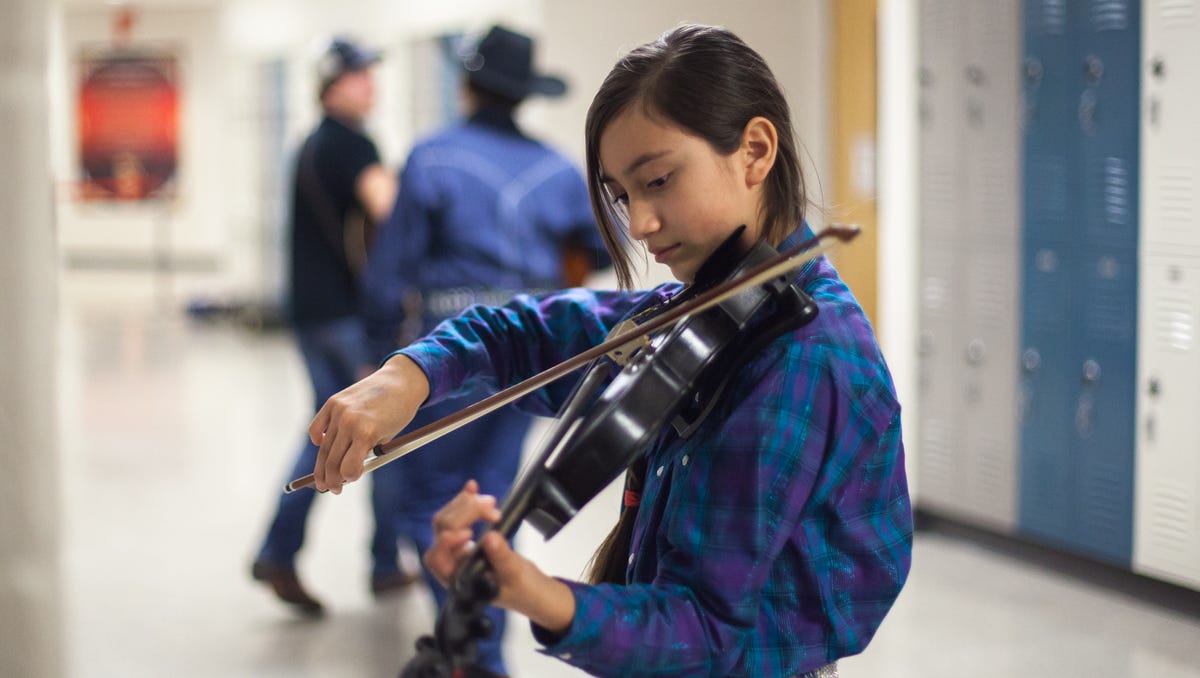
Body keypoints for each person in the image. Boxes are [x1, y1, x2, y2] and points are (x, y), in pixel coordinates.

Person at [310, 24, 911, 677]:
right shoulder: (705, 307)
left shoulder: (802, 358)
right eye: (622, 194)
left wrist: (542, 596)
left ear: (755, 151)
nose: (638, 225)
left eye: (658, 180)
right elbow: (526, 332)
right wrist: (411, 373)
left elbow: (707, 632)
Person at [357, 24, 609, 673]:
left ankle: (477, 649)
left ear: (467, 86)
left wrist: (378, 355)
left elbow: (392, 268)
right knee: (490, 495)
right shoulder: (556, 169)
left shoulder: (432, 156)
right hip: (529, 353)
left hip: (447, 350)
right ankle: (480, 645)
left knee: (429, 503)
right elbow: (605, 242)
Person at [251, 36, 413, 617]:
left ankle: (279, 549)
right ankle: (386, 562)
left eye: (372, 74)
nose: (371, 85)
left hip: (311, 314)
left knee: (324, 430)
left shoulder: (311, 144)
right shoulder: (351, 143)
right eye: (360, 76)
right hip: (347, 318)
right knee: (387, 431)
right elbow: (390, 209)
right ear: (331, 84)